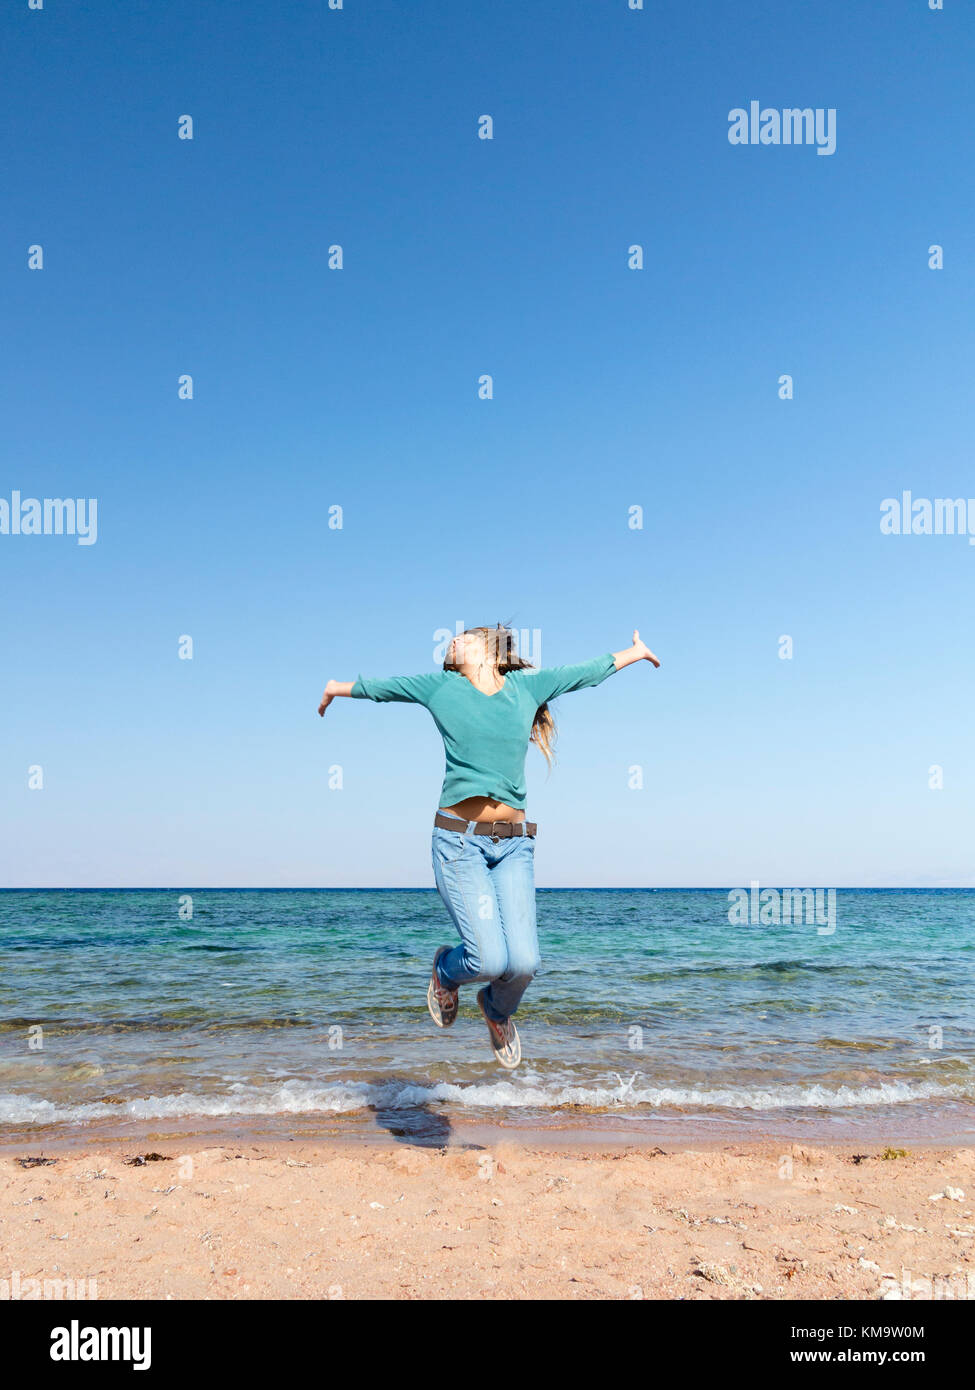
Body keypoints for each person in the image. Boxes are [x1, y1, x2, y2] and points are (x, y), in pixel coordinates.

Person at [318, 625, 660, 1068]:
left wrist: (634, 653)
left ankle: (495, 1011)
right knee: (486, 958)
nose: (450, 644)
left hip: (514, 848)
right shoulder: (443, 688)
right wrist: (335, 689)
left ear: (488, 648)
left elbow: (585, 674)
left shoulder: (525, 687)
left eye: (460, 638)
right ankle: (445, 971)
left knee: (523, 964)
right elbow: (385, 688)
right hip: (459, 844)